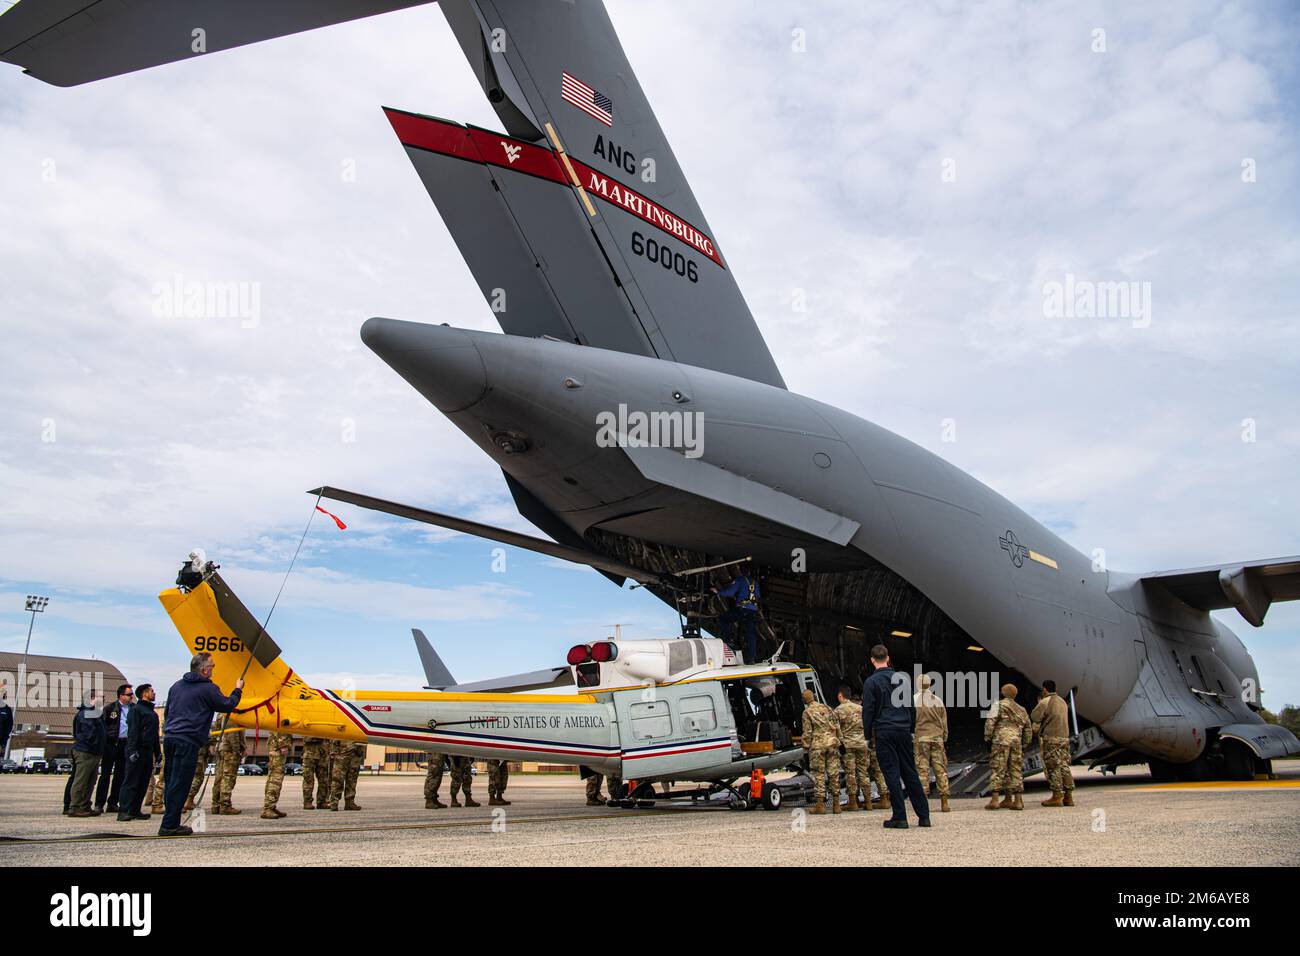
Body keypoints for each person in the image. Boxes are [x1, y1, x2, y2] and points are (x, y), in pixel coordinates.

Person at [159, 652, 243, 837]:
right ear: (205, 670)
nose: (213, 669)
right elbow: (227, 704)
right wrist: (238, 689)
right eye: (212, 666)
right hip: (187, 740)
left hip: (171, 738)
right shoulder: (208, 688)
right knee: (181, 783)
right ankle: (169, 825)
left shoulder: (176, 686)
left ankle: (169, 820)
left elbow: (167, 712)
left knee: (171, 780)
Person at [862, 644, 930, 829]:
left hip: (884, 730)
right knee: (910, 772)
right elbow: (911, 707)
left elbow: (868, 710)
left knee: (891, 772)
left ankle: (900, 817)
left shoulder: (871, 682)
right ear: (888, 657)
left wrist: (867, 735)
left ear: (872, 660)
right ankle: (924, 816)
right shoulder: (902, 679)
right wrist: (911, 729)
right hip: (903, 730)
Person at [984, 682, 1032, 811]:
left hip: (1001, 741)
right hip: (1016, 742)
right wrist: (1025, 743)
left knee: (998, 769)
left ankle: (995, 800)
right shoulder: (1021, 709)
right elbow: (1028, 728)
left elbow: (990, 723)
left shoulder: (998, 705)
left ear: (1003, 693)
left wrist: (988, 738)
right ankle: (1017, 801)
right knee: (1015, 770)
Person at [116, 683, 160, 821]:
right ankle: (123, 810)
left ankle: (135, 810)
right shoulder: (136, 710)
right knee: (131, 782)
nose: (154, 693)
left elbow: (154, 735)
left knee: (143, 782)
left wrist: (157, 752)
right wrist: (132, 751)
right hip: (137, 750)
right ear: (145, 694)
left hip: (147, 752)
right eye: (152, 691)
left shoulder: (152, 713)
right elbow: (133, 731)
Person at [1031, 680, 1075, 807]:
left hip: (1051, 738)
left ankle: (1057, 796)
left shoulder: (1045, 702)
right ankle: (1069, 796)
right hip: (1064, 738)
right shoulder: (1062, 702)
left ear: (1044, 689)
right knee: (1064, 766)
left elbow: (1034, 717)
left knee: (1053, 766)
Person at [913, 675, 951, 813]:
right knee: (940, 769)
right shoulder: (938, 700)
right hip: (937, 738)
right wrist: (944, 737)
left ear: (918, 685)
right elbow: (944, 720)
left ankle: (924, 803)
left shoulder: (914, 700)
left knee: (922, 770)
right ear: (929, 685)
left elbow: (911, 720)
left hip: (921, 738)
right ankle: (944, 802)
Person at [800, 688, 841, 814]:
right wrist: (839, 740)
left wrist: (805, 748)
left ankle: (820, 805)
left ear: (804, 700)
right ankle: (836, 805)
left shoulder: (807, 712)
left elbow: (807, 733)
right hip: (831, 743)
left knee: (819, 774)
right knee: (833, 773)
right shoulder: (827, 708)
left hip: (818, 746)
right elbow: (836, 725)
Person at [94, 683, 133, 813]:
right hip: (111, 744)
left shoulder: (133, 708)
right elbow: (103, 726)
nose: (131, 697)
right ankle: (99, 803)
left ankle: (113, 802)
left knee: (120, 775)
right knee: (105, 774)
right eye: (128, 694)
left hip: (125, 744)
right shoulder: (110, 708)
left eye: (131, 694)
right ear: (121, 696)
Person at [68, 691, 106, 818]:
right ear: (91, 699)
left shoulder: (94, 714)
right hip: (86, 751)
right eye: (101, 697)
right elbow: (88, 734)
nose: (103, 700)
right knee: (81, 780)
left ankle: (84, 805)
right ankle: (75, 807)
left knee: (90, 781)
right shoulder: (86, 714)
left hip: (93, 752)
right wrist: (96, 745)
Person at [711, 567, 761, 660]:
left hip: (742, 610)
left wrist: (718, 591)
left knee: (723, 619)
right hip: (752, 611)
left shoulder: (740, 580)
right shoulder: (755, 583)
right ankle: (752, 658)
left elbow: (729, 592)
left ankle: (729, 640)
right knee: (751, 633)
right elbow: (757, 597)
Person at [834, 686, 870, 811]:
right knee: (863, 772)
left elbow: (835, 729)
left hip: (848, 745)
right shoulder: (860, 708)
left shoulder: (838, 710)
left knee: (851, 774)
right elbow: (867, 724)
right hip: (861, 744)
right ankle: (868, 801)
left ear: (840, 696)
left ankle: (853, 802)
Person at [185, 722, 221, 812]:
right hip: (199, 754)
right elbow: (209, 737)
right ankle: (188, 800)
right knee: (198, 777)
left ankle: (186, 800)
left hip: (190, 752)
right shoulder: (205, 723)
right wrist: (212, 744)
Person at [211, 725, 245, 814]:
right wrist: (237, 752)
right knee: (228, 779)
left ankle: (216, 805)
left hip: (223, 749)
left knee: (219, 778)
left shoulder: (222, 715)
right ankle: (225, 806)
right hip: (229, 750)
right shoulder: (233, 715)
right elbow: (233, 735)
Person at [261, 731, 292, 819]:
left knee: (273, 779)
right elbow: (280, 727)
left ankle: (271, 807)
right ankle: (268, 809)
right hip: (277, 750)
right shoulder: (281, 718)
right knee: (275, 780)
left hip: (276, 748)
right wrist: (283, 745)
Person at [301, 736, 330, 809]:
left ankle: (322, 802)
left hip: (323, 756)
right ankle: (307, 802)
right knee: (309, 780)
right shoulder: (311, 725)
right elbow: (307, 738)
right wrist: (320, 736)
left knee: (324, 780)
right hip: (310, 757)